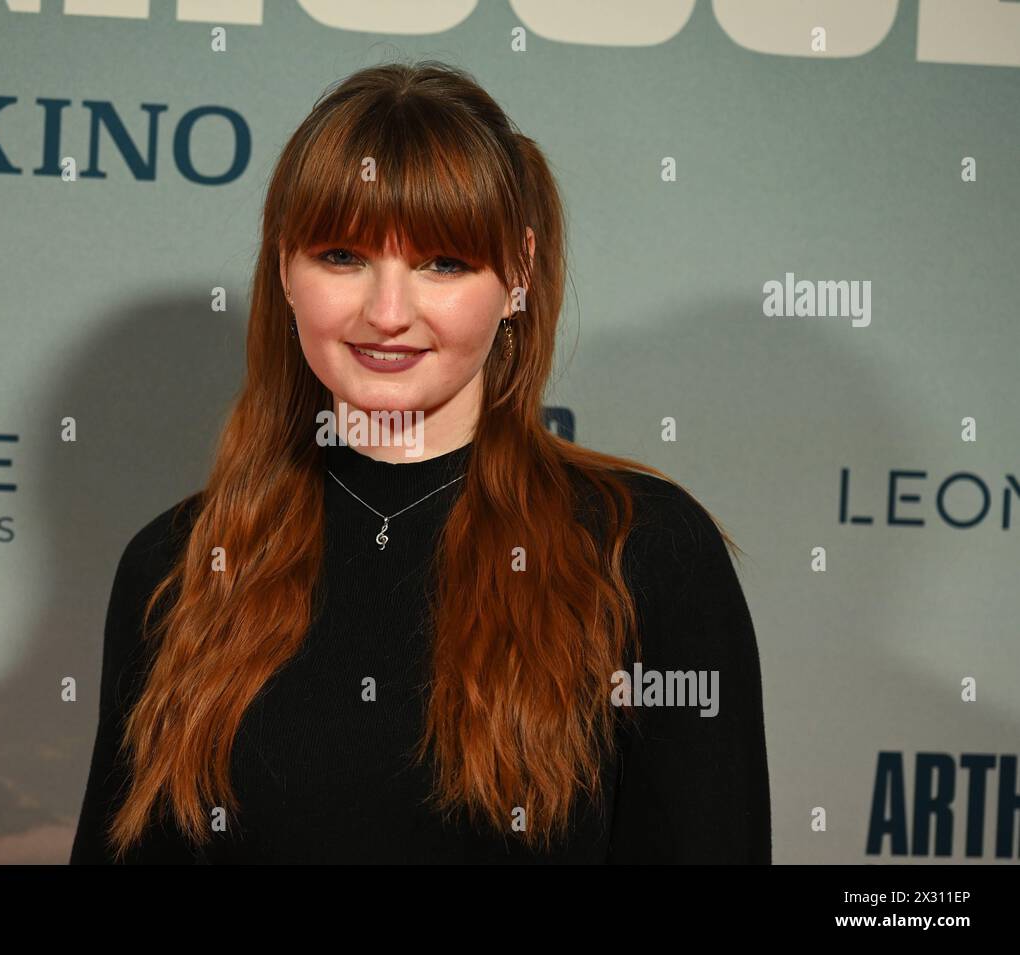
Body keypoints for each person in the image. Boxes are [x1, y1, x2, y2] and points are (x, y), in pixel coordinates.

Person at [70, 60, 771, 864]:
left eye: (443, 262)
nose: (387, 313)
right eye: (342, 255)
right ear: (285, 269)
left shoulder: (642, 554)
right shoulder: (178, 567)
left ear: (519, 274)